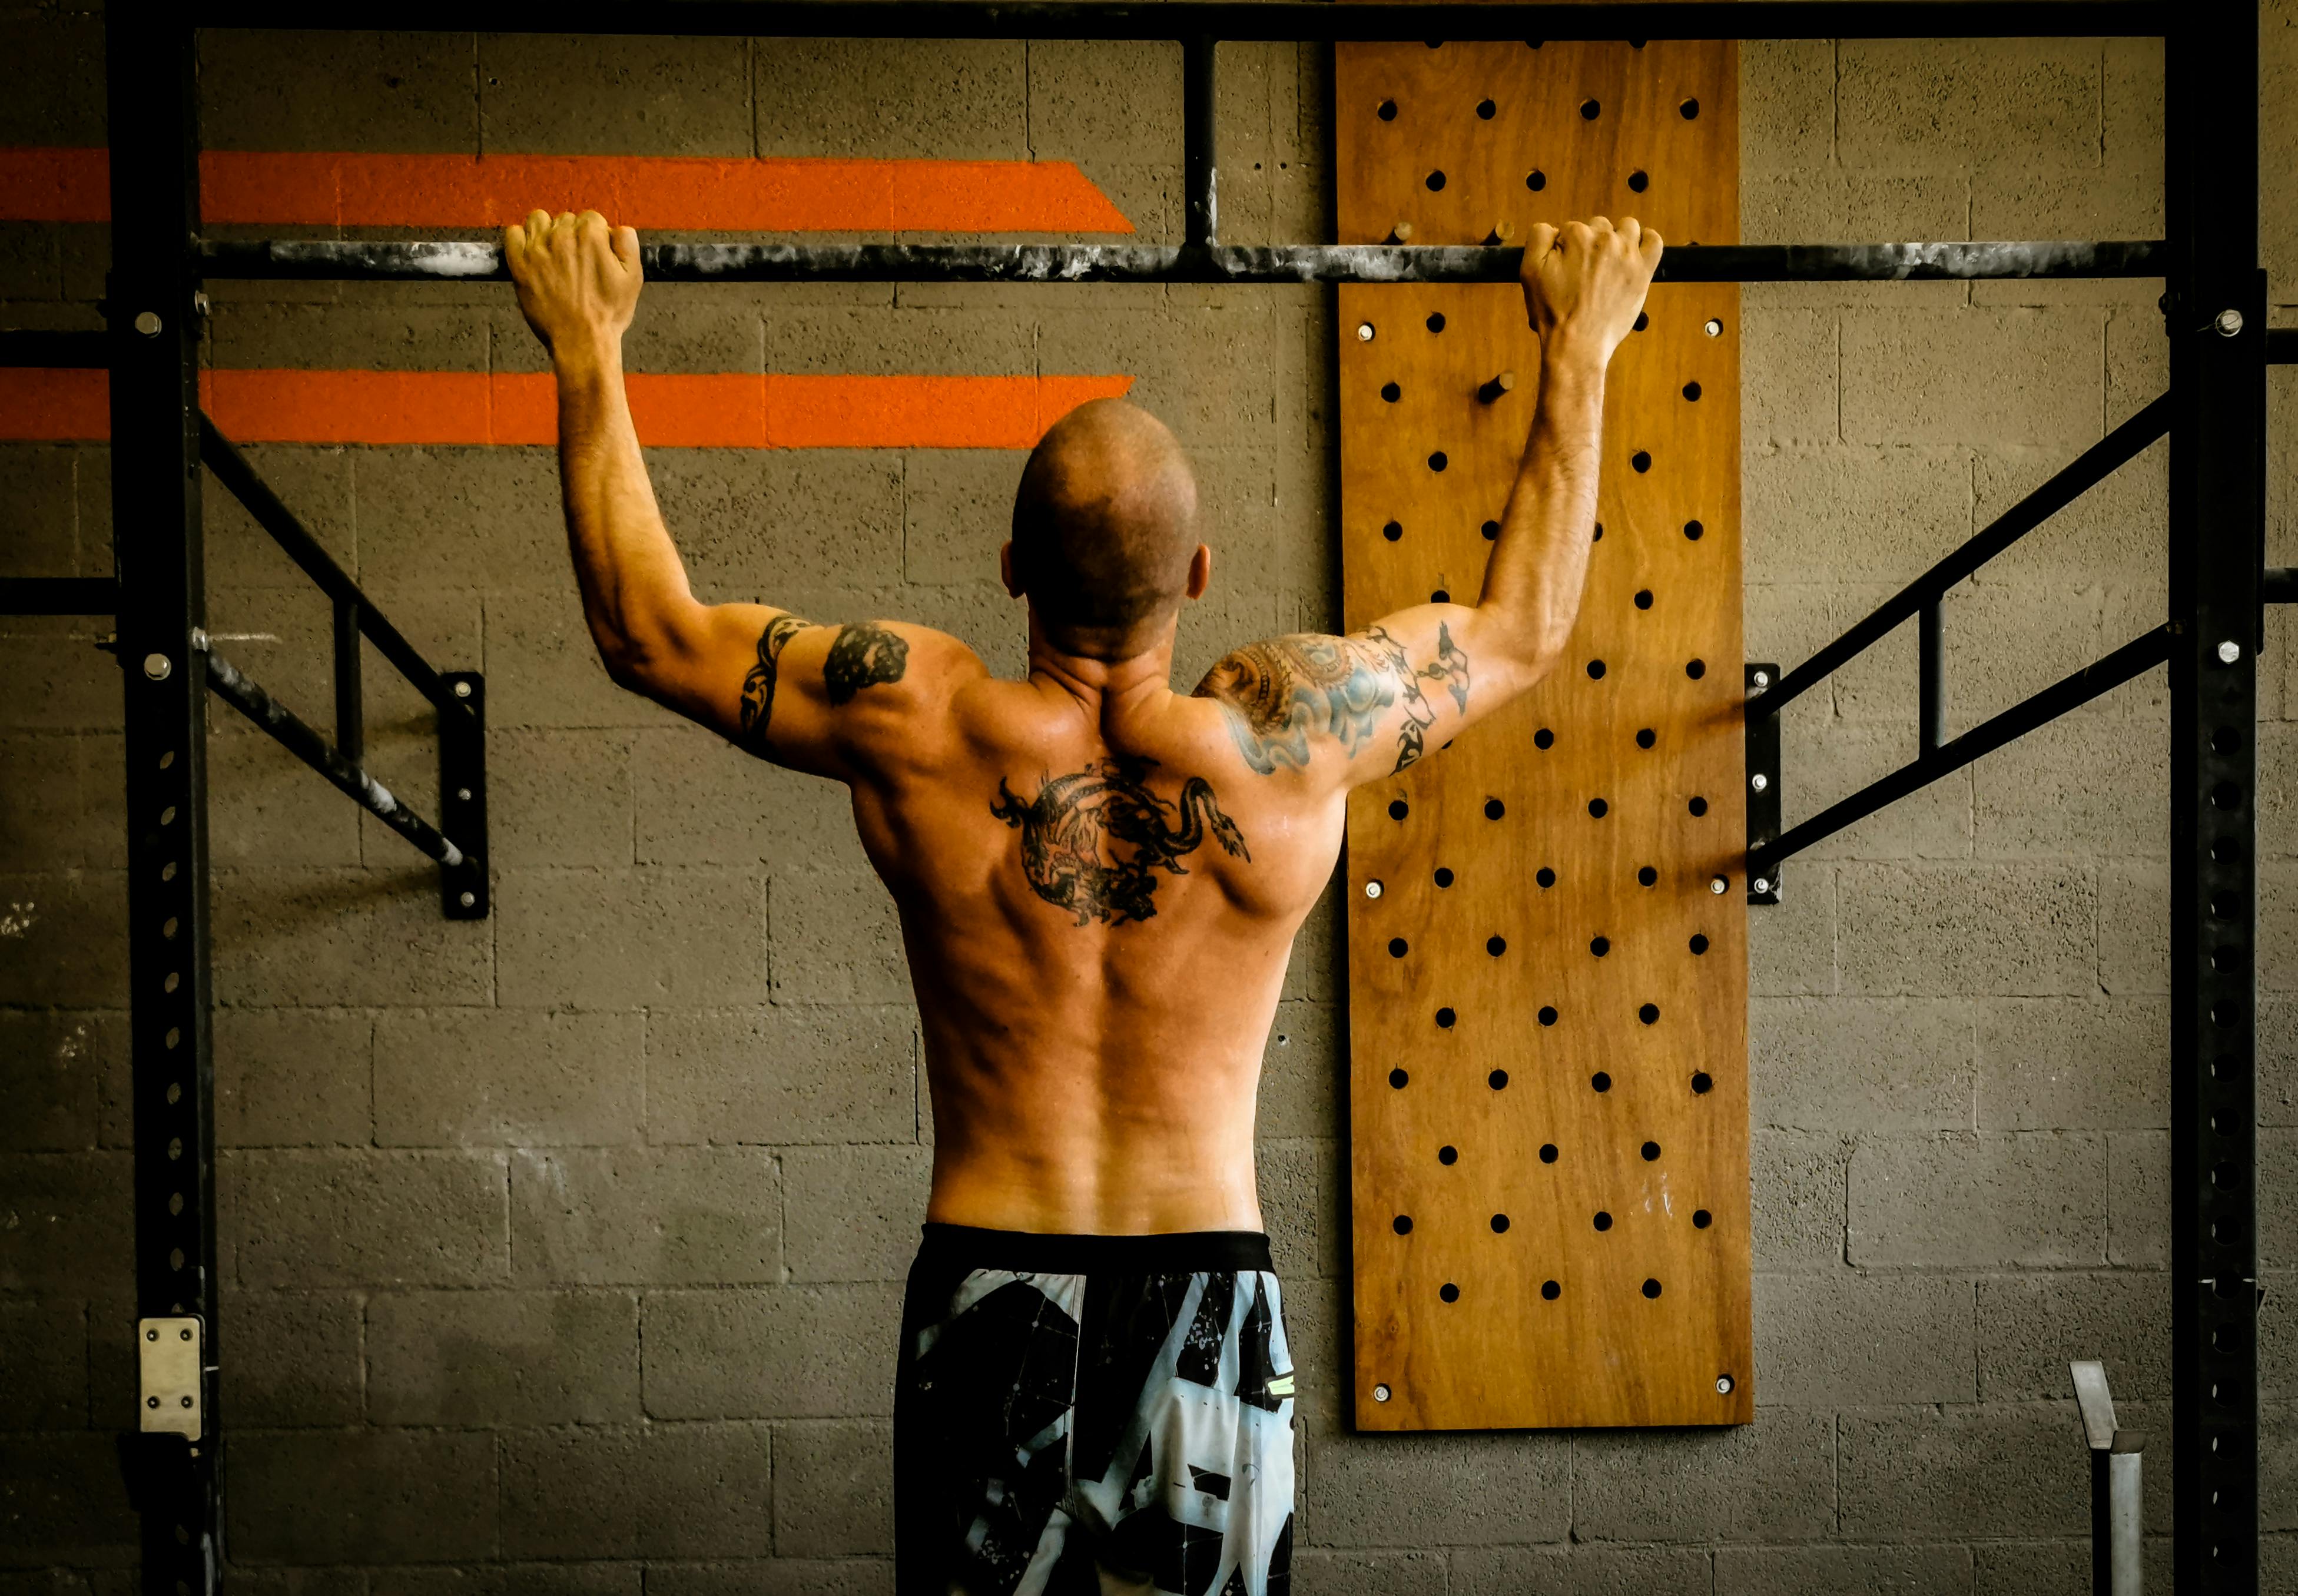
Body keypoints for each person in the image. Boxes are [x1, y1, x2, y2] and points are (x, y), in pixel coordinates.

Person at [505, 207, 1662, 1596]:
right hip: (1207, 1296)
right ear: (1197, 577)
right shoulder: (1290, 738)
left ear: (1010, 571)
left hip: (991, 1286)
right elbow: (1521, 629)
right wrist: (1580, 344)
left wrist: (588, 342)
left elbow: (652, 631)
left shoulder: (918, 723)